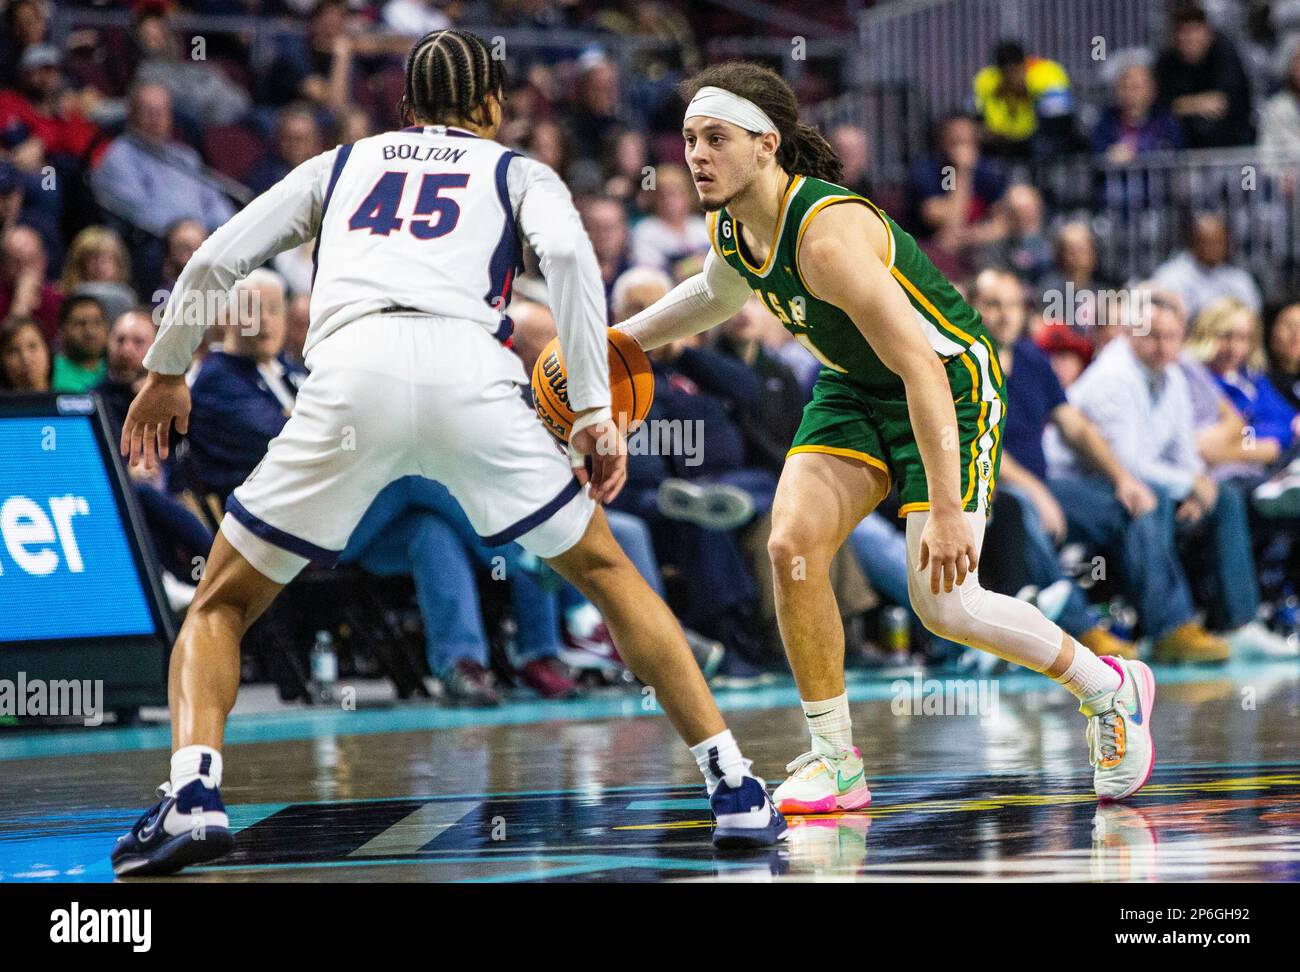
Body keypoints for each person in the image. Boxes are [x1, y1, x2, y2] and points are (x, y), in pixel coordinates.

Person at [111, 29, 785, 877]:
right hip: (471, 376)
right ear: (493, 108)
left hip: (352, 377)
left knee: (217, 604)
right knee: (610, 575)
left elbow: (214, 256)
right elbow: (572, 256)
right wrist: (589, 412)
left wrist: (168, 369)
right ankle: (733, 786)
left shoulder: (343, 163)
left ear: (405, 107)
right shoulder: (516, 172)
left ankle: (194, 797)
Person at [614, 61, 1156, 818]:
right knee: (789, 545)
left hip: (949, 386)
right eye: (689, 140)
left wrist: (939, 508)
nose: (695, 156)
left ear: (767, 145)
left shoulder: (828, 237)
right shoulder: (732, 225)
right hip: (854, 386)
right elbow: (713, 292)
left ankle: (1109, 688)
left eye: (714, 139)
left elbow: (923, 370)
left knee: (946, 604)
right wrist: (620, 342)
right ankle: (837, 761)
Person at [970, 268, 1150, 659]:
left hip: (1044, 484)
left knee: (1128, 505)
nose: (1005, 315)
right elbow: (979, 444)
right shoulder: (961, 364)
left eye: (1014, 306)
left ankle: (1169, 624)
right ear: (971, 307)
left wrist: (1121, 477)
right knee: (1024, 510)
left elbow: (1074, 427)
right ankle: (1082, 630)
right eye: (994, 305)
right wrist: (1036, 491)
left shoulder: (1033, 359)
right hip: (991, 489)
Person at [1154, 3, 1254, 148]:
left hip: (1230, 142)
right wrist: (1199, 104)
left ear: (1208, 33)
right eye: (1182, 32)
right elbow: (1161, 106)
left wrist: (1182, 105)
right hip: (1184, 147)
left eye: (1193, 31)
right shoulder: (1167, 61)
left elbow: (1222, 103)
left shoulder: (1224, 52)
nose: (1187, 38)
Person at [972, 39, 1076, 158]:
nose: (1012, 78)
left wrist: (1031, 93)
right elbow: (977, 117)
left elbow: (1059, 118)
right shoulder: (987, 80)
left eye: (1016, 71)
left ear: (1025, 65)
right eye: (1006, 73)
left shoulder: (1045, 75)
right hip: (1001, 142)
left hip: (1038, 139)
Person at [1151, 213, 1263, 322]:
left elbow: (1252, 321)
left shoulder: (1239, 280)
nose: (1213, 249)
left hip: (1228, 338)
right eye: (1206, 242)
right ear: (1192, 243)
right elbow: (1161, 322)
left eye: (1218, 243)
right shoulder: (1170, 277)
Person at [49, 293, 108, 392]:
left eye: (97, 322)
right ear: (61, 330)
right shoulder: (49, 371)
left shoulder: (116, 369)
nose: (90, 331)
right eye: (80, 324)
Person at [0, 313, 51, 391]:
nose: (25, 358)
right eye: (14, 350)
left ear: (47, 351)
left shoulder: (70, 398)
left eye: (32, 347)